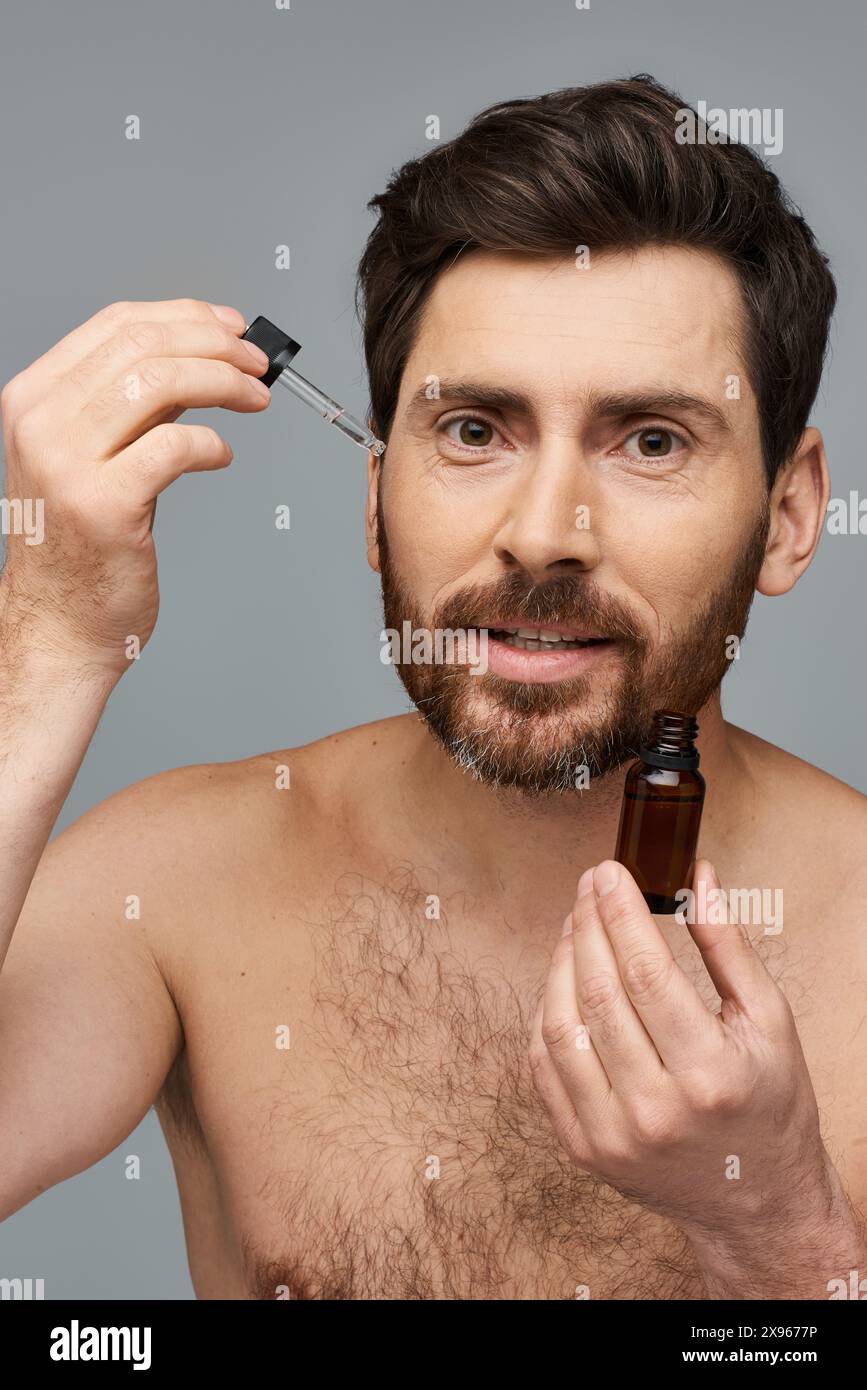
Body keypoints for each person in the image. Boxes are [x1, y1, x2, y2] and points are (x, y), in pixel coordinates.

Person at [1, 74, 864, 1301]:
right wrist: (48, 637)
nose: (542, 533)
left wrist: (787, 1235)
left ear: (789, 513)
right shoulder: (175, 888)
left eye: (651, 441)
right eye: (473, 431)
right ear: (370, 496)